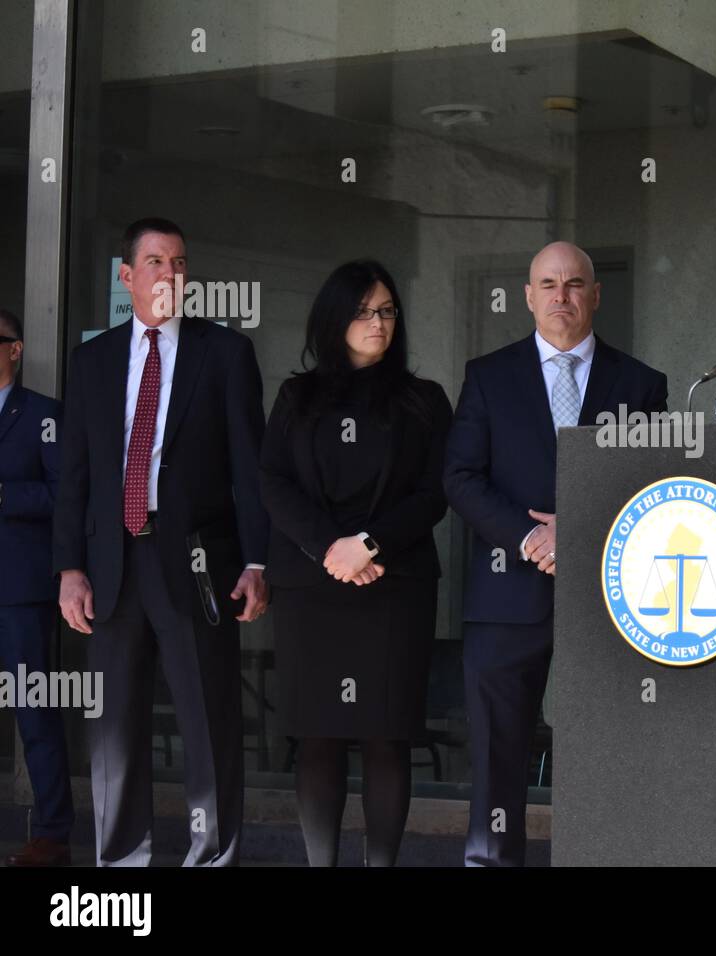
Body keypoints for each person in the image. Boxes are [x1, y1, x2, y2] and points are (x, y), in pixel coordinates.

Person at [52, 218, 270, 866]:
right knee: (113, 727)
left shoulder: (224, 353)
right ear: (127, 276)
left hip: (198, 563)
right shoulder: (93, 361)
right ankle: (121, 862)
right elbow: (74, 475)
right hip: (111, 563)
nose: (169, 273)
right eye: (155, 262)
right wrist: (69, 568)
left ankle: (212, 856)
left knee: (208, 718)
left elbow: (249, 467)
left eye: (178, 263)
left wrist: (256, 561)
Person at [444, 240, 668, 866]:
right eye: (548, 284)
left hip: (609, 599)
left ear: (596, 295)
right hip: (506, 596)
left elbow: (653, 484)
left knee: (608, 752)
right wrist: (530, 538)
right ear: (528, 296)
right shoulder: (488, 376)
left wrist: (581, 530)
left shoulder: (642, 384)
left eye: (573, 284)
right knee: (497, 756)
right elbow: (459, 477)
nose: (561, 296)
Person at [260, 260, 452, 866]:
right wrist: (331, 548)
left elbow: (436, 492)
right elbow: (273, 483)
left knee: (386, 737)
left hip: (394, 587)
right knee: (317, 736)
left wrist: (368, 545)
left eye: (387, 311)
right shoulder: (297, 397)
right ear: (334, 319)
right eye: (365, 311)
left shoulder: (424, 400)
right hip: (311, 588)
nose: (379, 322)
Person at [0, 309, 74, 866]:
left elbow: (65, 495)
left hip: (20, 591)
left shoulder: (44, 415)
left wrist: (5, 494)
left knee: (34, 711)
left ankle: (51, 834)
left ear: (15, 349)